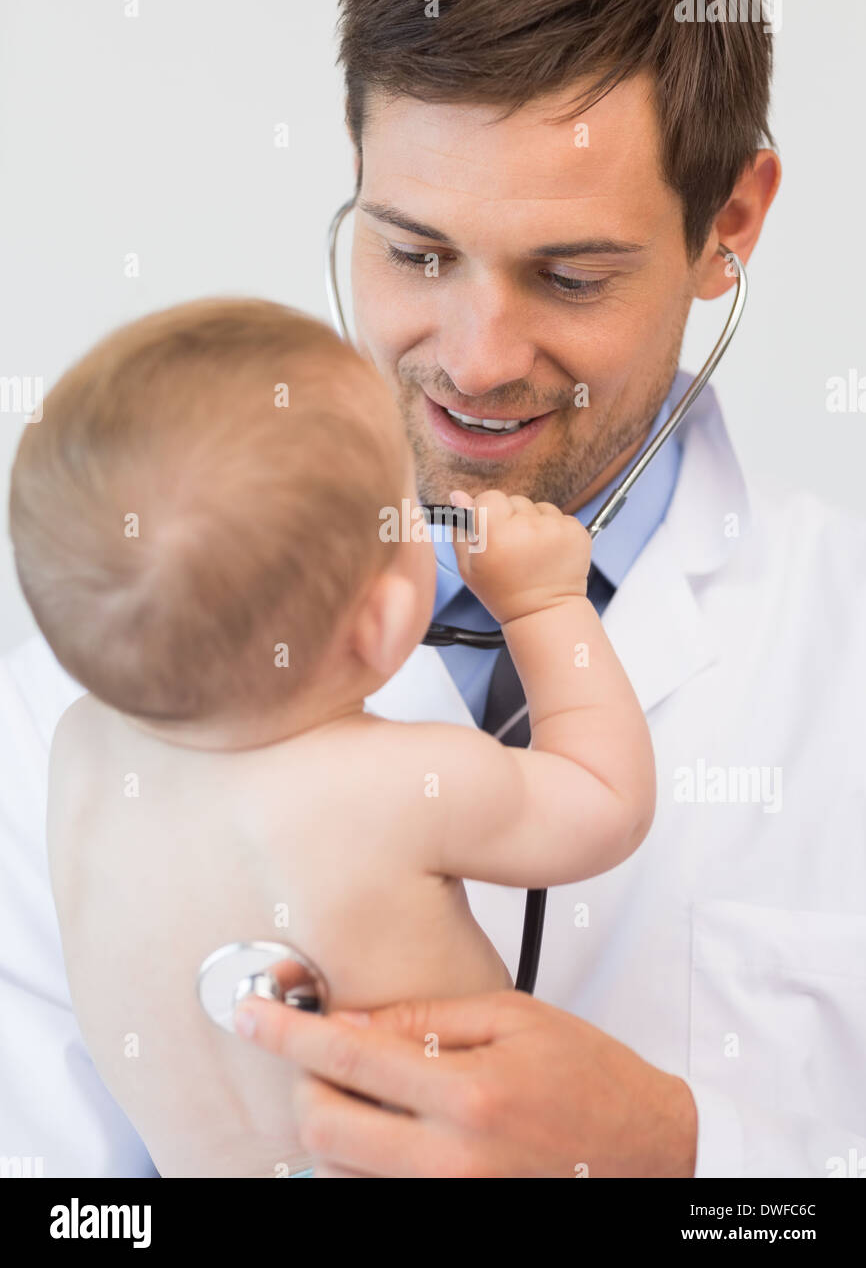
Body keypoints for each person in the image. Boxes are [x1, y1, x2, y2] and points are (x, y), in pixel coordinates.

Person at [1, 0, 864, 1179]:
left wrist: (685, 1160)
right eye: (412, 253)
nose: (475, 357)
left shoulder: (832, 643)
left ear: (726, 225)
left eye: (571, 274)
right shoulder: (78, 700)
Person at [8, 296, 654, 1177]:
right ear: (387, 621)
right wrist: (545, 603)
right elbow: (605, 801)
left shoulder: (77, 753)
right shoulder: (400, 785)